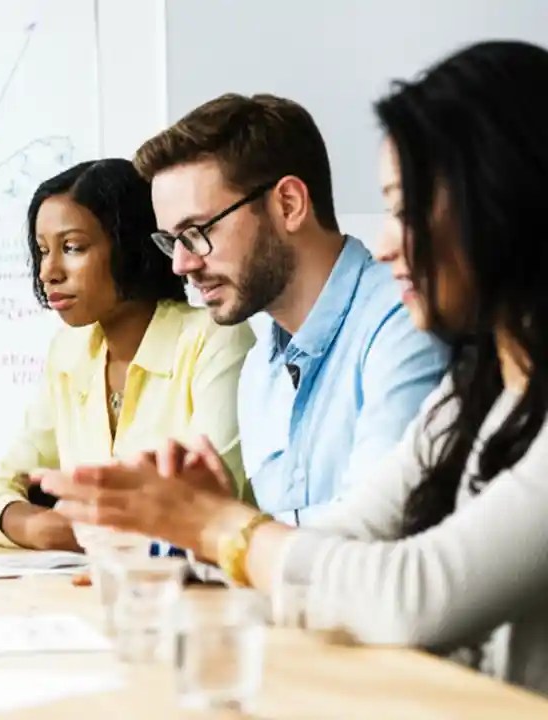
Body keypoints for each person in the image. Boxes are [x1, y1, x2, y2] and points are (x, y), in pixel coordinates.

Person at [39, 40, 548, 696]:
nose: (389, 240)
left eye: (405, 207)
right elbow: (350, 533)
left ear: (506, 198)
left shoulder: (407, 333)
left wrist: (219, 526)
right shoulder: (476, 389)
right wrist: (202, 531)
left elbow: (410, 591)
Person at [132, 92, 448, 526]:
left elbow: (383, 528)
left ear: (289, 205)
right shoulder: (259, 371)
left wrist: (225, 527)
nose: (182, 264)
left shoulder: (404, 318)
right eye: (172, 240)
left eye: (197, 232)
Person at [0, 159, 255, 551]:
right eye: (42, 251)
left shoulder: (216, 339)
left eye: (72, 248)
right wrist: (42, 528)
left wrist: (79, 530)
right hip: (97, 591)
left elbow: (199, 509)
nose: (48, 272)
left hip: (199, 594)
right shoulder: (69, 353)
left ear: (130, 246)